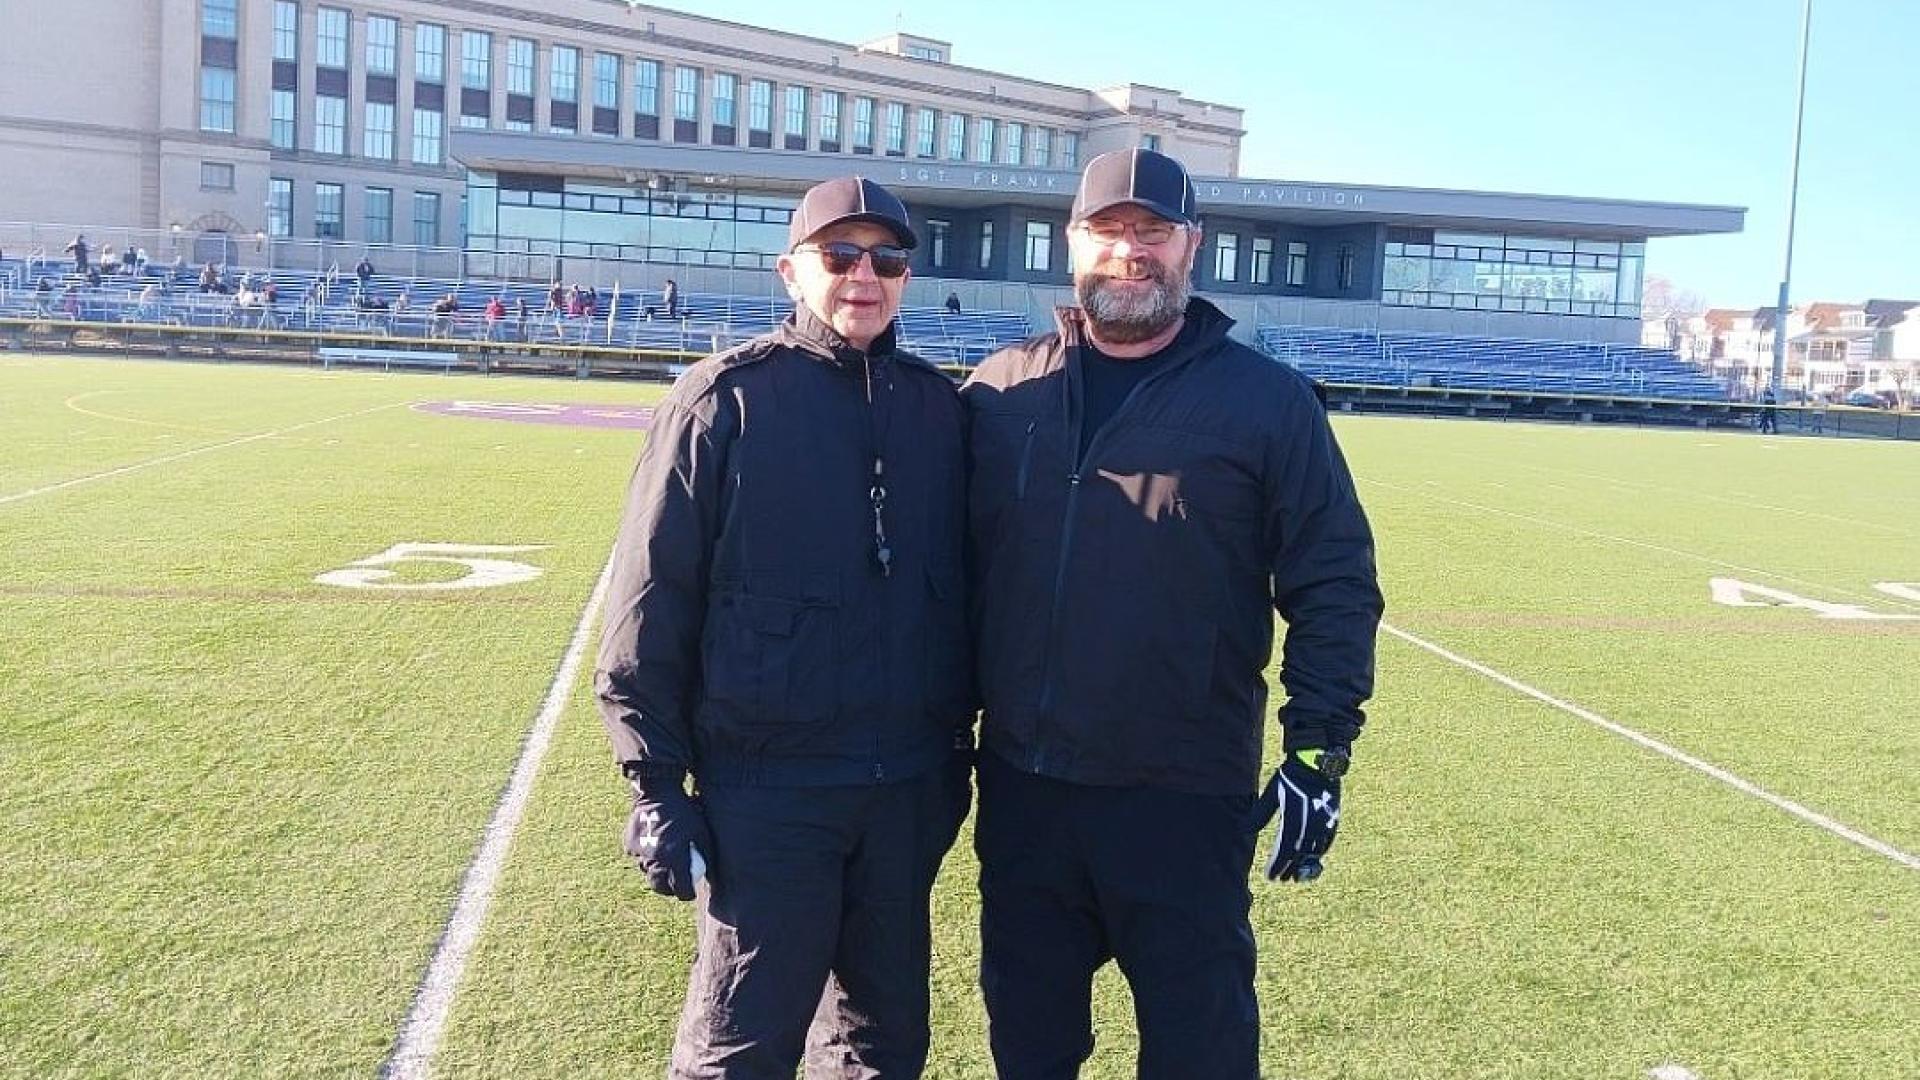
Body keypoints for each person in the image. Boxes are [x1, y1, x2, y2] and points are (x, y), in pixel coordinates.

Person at [960, 148, 1384, 1079]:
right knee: (1029, 1048)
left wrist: (1319, 749)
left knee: (1202, 1051)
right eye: (1109, 231)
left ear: (1192, 245)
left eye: (1153, 231)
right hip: (1025, 793)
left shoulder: (1265, 404)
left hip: (1183, 799)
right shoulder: (997, 392)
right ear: (1072, 243)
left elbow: (1336, 583)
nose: (1130, 252)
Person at [595, 175, 973, 1078]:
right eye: (840, 255)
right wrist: (652, 783)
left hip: (905, 792)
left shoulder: (941, 410)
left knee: (882, 1049)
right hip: (768, 795)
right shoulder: (721, 402)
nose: (864, 276)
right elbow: (652, 596)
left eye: (886, 259)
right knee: (740, 1049)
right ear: (790, 272)